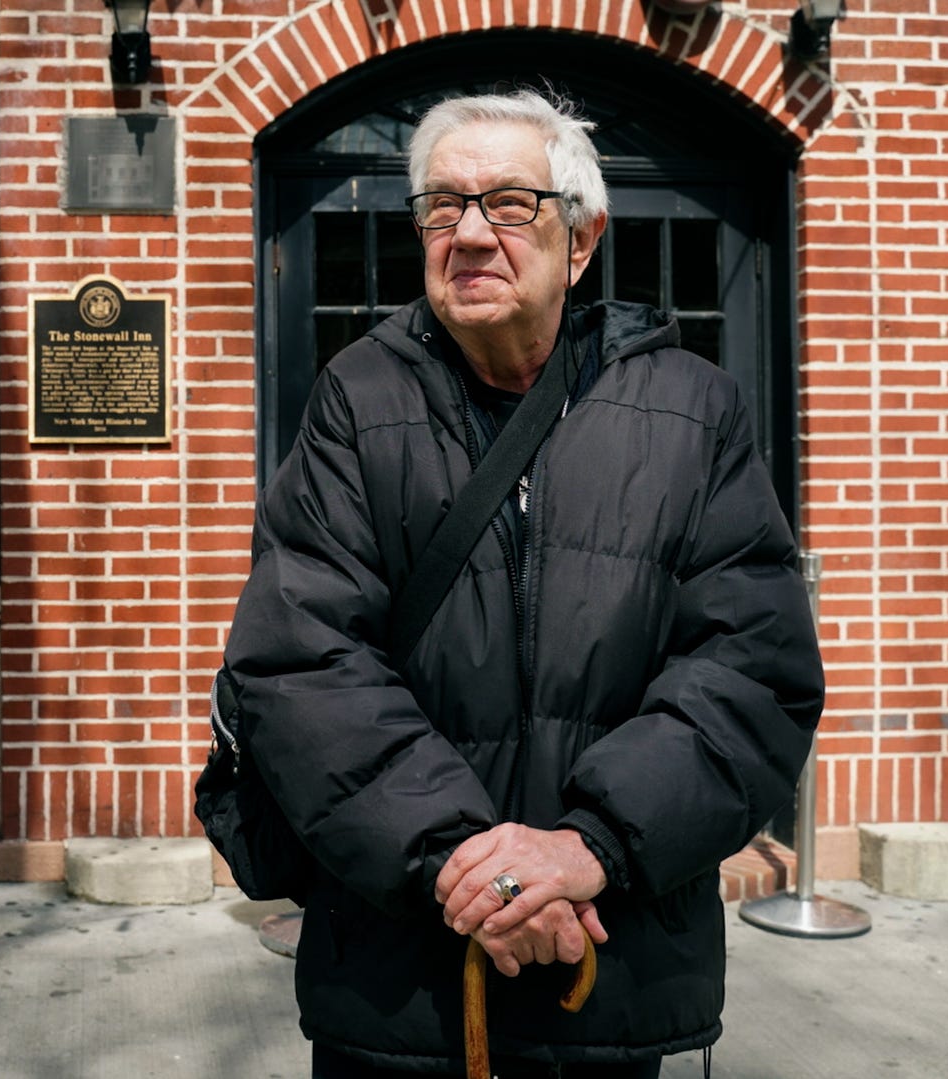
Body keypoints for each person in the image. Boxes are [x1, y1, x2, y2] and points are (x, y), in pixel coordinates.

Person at [220, 89, 824, 1077]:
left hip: (608, 959)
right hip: (399, 966)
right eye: (439, 206)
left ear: (578, 240)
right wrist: (466, 864)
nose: (466, 232)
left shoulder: (692, 408)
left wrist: (588, 848)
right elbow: (298, 660)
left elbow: (749, 668)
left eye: (507, 203)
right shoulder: (356, 398)